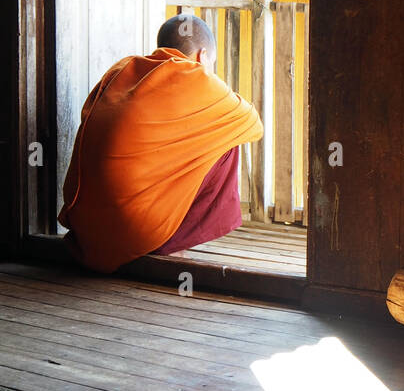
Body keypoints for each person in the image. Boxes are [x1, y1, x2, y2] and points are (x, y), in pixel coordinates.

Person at [58, 14, 263, 273]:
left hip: (87, 232)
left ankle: (147, 237)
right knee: (227, 142)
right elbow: (254, 125)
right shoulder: (197, 77)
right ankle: (172, 245)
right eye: (211, 63)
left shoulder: (121, 70)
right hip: (134, 233)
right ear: (202, 57)